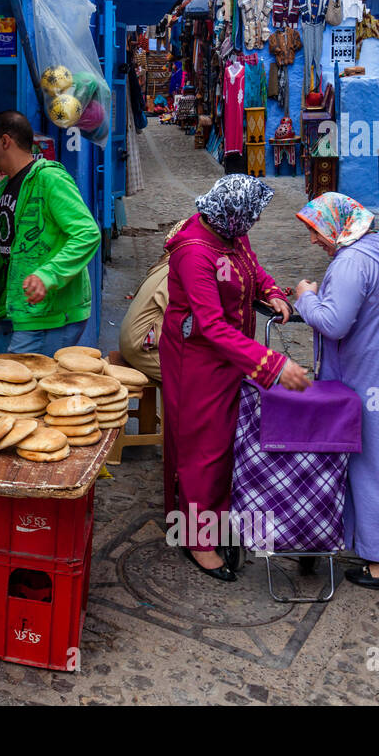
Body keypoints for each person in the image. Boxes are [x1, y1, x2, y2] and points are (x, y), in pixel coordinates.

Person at [161, 175, 310, 582]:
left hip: (228, 356)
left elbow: (251, 268)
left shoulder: (229, 231)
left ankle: (217, 514)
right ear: (230, 215)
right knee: (202, 448)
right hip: (196, 360)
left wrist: (271, 291)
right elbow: (210, 324)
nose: (253, 226)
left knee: (225, 440)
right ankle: (196, 538)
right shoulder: (194, 253)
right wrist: (272, 364)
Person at [292, 193, 379, 593]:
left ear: (338, 224)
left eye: (316, 231)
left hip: (371, 381)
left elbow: (333, 323)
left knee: (375, 468)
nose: (314, 241)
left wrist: (305, 296)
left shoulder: (352, 262)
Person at [0, 110, 100, 356]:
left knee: (16, 389)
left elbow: (87, 233)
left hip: (50, 316)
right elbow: (7, 253)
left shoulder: (49, 179)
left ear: (5, 141)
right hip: (25, 312)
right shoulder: (5, 188)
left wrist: (48, 275)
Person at [119, 220, 184, 383]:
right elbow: (181, 319)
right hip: (142, 348)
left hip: (134, 342)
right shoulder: (179, 270)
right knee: (206, 378)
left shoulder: (167, 263)